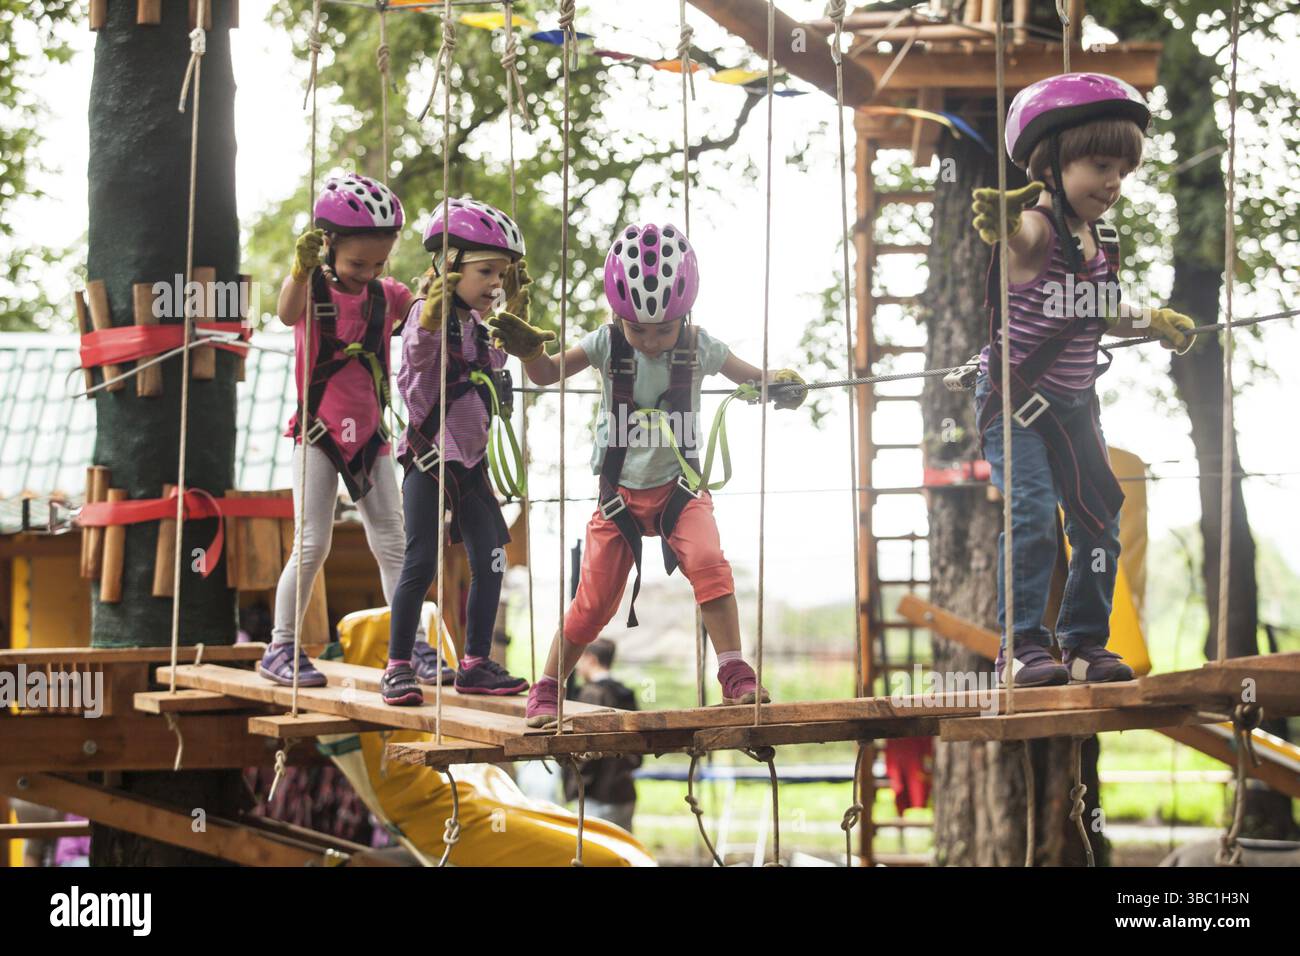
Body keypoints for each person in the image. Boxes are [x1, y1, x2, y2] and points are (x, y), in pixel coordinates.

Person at [490, 221, 807, 727]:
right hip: (618, 496)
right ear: (619, 318)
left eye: (664, 329)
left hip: (681, 491)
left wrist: (780, 385)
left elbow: (754, 379)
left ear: (685, 316)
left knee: (709, 563)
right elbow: (547, 374)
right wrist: (529, 351)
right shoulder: (604, 344)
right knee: (593, 605)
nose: (652, 340)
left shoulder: (701, 347)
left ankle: (734, 672)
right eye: (638, 330)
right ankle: (547, 686)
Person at [968, 74, 1196, 685]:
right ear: (1051, 164)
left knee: (1100, 516)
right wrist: (1005, 225)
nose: (1113, 181)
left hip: (1075, 407)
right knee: (1032, 512)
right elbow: (1021, 239)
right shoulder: (1037, 229)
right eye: (1099, 166)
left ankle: (1084, 643)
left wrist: (1151, 322)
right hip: (1016, 405)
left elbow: (1099, 310)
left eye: (1122, 170)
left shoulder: (1101, 242)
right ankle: (1021, 646)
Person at [260, 174, 429, 687]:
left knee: (394, 543)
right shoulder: (310, 289)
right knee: (312, 544)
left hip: (372, 438)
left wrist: (439, 296)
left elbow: (423, 323)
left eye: (379, 264)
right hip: (318, 434)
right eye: (358, 263)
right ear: (329, 247)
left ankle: (413, 646)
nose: (368, 273)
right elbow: (285, 312)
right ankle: (281, 646)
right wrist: (300, 269)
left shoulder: (388, 295)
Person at [380, 198, 540, 705]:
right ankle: (398, 665)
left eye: (503, 274)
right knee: (420, 563)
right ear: (450, 267)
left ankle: (474, 662)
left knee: (492, 558)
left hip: (471, 464)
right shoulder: (426, 319)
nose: (495, 283)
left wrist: (511, 325)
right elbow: (415, 363)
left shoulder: (478, 324)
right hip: (430, 460)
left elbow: (494, 367)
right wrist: (429, 319)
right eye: (485, 271)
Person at [562, 639, 640, 832]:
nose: (577, 667)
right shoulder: (626, 694)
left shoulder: (591, 694)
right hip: (624, 791)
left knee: (593, 848)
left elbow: (585, 749)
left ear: (591, 659)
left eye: (580, 659)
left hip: (596, 795)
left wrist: (575, 787)